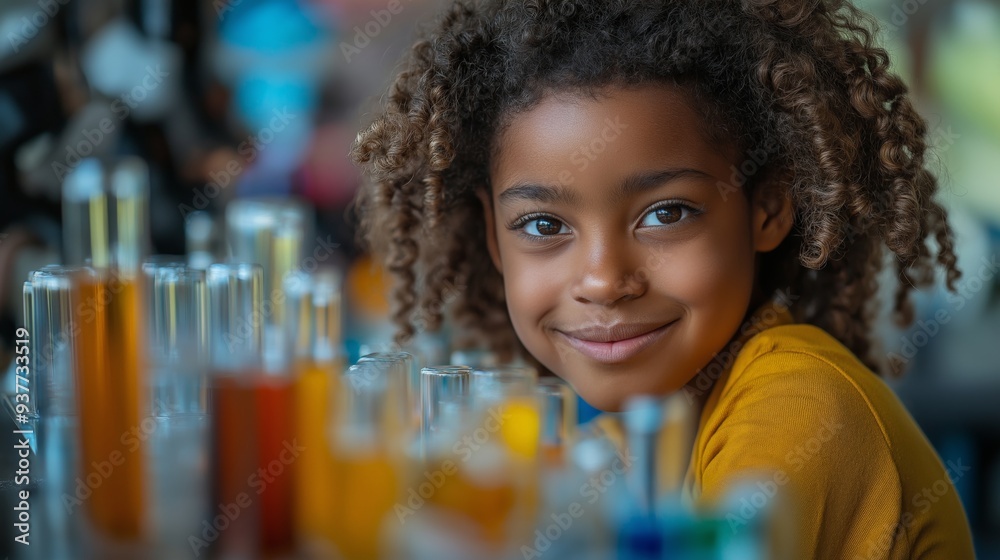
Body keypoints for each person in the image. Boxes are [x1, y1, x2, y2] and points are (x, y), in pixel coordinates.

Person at [350, 0, 975, 557]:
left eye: (665, 214)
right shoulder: (640, 434)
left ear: (769, 208)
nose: (602, 280)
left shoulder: (799, 409)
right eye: (543, 226)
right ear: (493, 234)